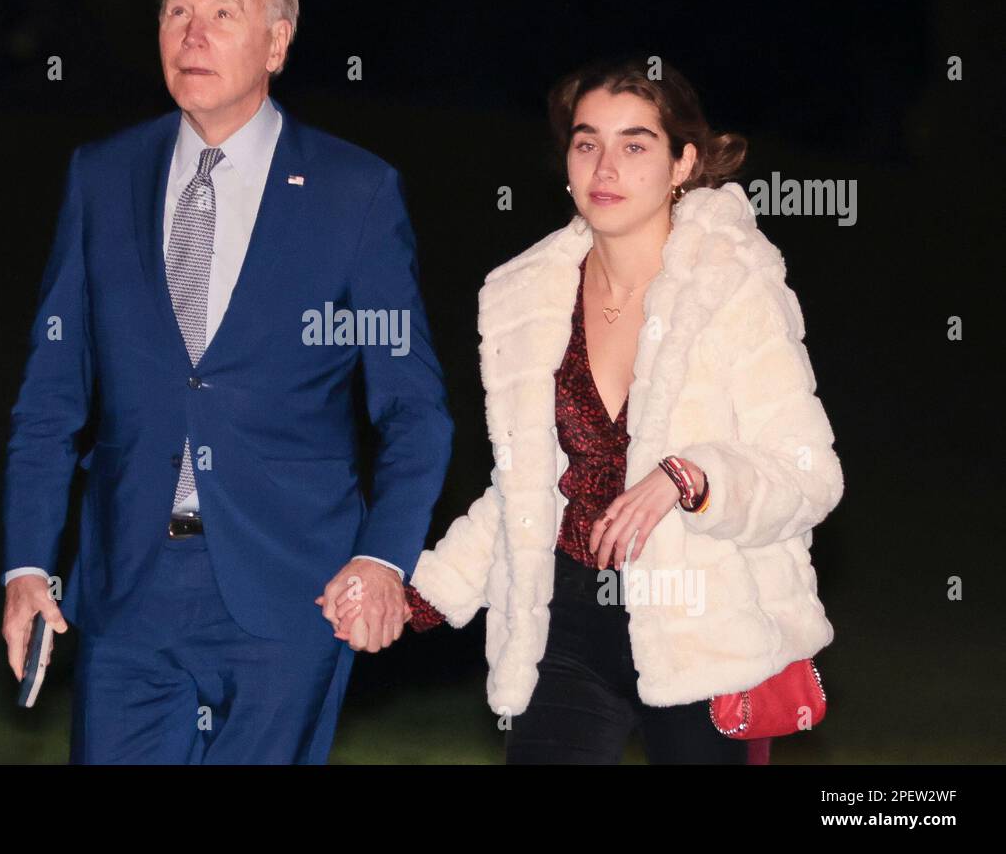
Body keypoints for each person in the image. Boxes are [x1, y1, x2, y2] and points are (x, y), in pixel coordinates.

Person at [0, 0, 452, 764]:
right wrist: (27, 563)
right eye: (177, 11)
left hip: (292, 591)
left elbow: (414, 408)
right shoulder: (101, 177)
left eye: (222, 13)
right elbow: (51, 393)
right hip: (127, 588)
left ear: (277, 42)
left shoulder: (355, 193)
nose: (192, 34)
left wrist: (383, 559)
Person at [332, 56, 843, 764]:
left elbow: (809, 474)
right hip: (566, 623)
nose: (606, 166)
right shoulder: (526, 301)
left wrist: (689, 478)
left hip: (704, 623)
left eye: (636, 145)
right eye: (586, 142)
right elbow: (524, 490)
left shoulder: (734, 288)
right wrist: (415, 596)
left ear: (682, 164)